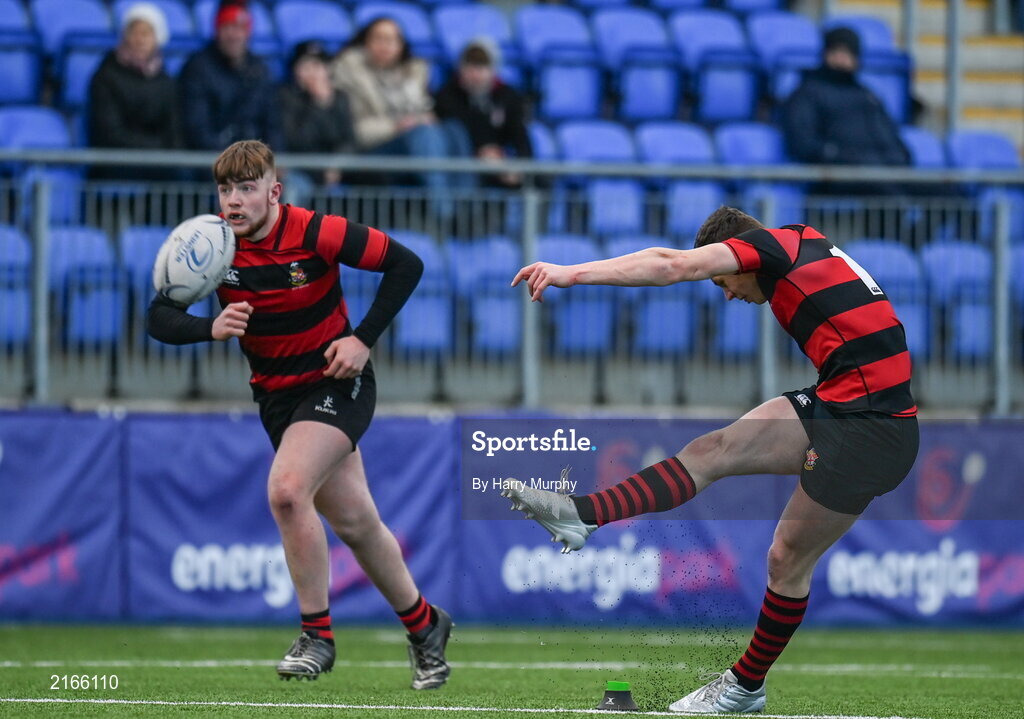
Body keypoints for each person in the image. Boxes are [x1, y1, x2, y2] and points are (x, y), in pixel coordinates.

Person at [506, 206, 919, 713]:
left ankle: (744, 688)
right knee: (712, 450)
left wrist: (573, 273)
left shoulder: (771, 246)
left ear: (740, 255)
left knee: (786, 561)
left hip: (870, 426)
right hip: (843, 405)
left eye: (723, 280)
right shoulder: (800, 243)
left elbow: (670, 264)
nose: (726, 294)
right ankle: (580, 516)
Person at [146, 140, 452, 689]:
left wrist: (362, 339)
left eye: (246, 187)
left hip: (338, 380)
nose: (234, 200)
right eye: (225, 189)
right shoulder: (212, 241)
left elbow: (408, 265)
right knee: (358, 523)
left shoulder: (318, 231)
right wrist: (207, 328)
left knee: (287, 491)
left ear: (274, 191)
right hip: (277, 397)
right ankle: (425, 626)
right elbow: (158, 317)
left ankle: (318, 635)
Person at [331, 17, 473, 210]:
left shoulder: (414, 72)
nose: (385, 45)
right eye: (379, 38)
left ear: (401, 45)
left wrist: (426, 118)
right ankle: (443, 212)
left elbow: (423, 110)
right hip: (372, 150)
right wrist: (396, 126)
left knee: (453, 129)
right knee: (425, 134)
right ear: (366, 42)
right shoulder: (350, 73)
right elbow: (355, 129)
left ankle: (468, 208)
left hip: (413, 141)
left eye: (392, 40)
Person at [782, 27, 910, 171]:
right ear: (825, 53)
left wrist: (899, 156)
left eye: (848, 53)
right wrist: (844, 157)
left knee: (934, 187)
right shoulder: (807, 93)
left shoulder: (867, 96)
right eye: (836, 51)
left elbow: (890, 137)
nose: (841, 58)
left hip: (882, 170)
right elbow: (803, 144)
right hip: (838, 174)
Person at [87, 2, 180, 179]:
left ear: (157, 38)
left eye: (146, 33)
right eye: (134, 32)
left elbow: (174, 131)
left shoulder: (167, 83)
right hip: (116, 165)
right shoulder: (105, 77)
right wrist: (158, 148)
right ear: (124, 37)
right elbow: (109, 133)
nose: (139, 39)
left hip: (160, 166)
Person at [178, 0, 282, 152]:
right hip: (212, 163)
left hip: (255, 163)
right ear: (217, 31)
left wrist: (276, 156)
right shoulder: (197, 69)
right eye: (227, 27)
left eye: (240, 28)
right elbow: (197, 130)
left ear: (247, 32)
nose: (234, 35)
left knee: (294, 177)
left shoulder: (260, 70)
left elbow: (273, 125)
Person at [434, 38, 532, 188]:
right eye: (470, 66)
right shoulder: (446, 96)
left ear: (493, 69)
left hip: (501, 163)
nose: (475, 74)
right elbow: (456, 136)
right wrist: (482, 153)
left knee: (538, 179)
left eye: (481, 67)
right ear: (460, 68)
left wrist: (516, 167)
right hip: (465, 166)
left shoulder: (509, 96)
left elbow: (521, 138)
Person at [280, 41, 357, 195]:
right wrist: (318, 105)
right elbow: (298, 141)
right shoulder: (285, 97)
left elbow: (349, 139)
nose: (313, 73)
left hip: (334, 170)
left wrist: (337, 164)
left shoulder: (340, 98)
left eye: (318, 66)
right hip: (301, 170)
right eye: (305, 66)